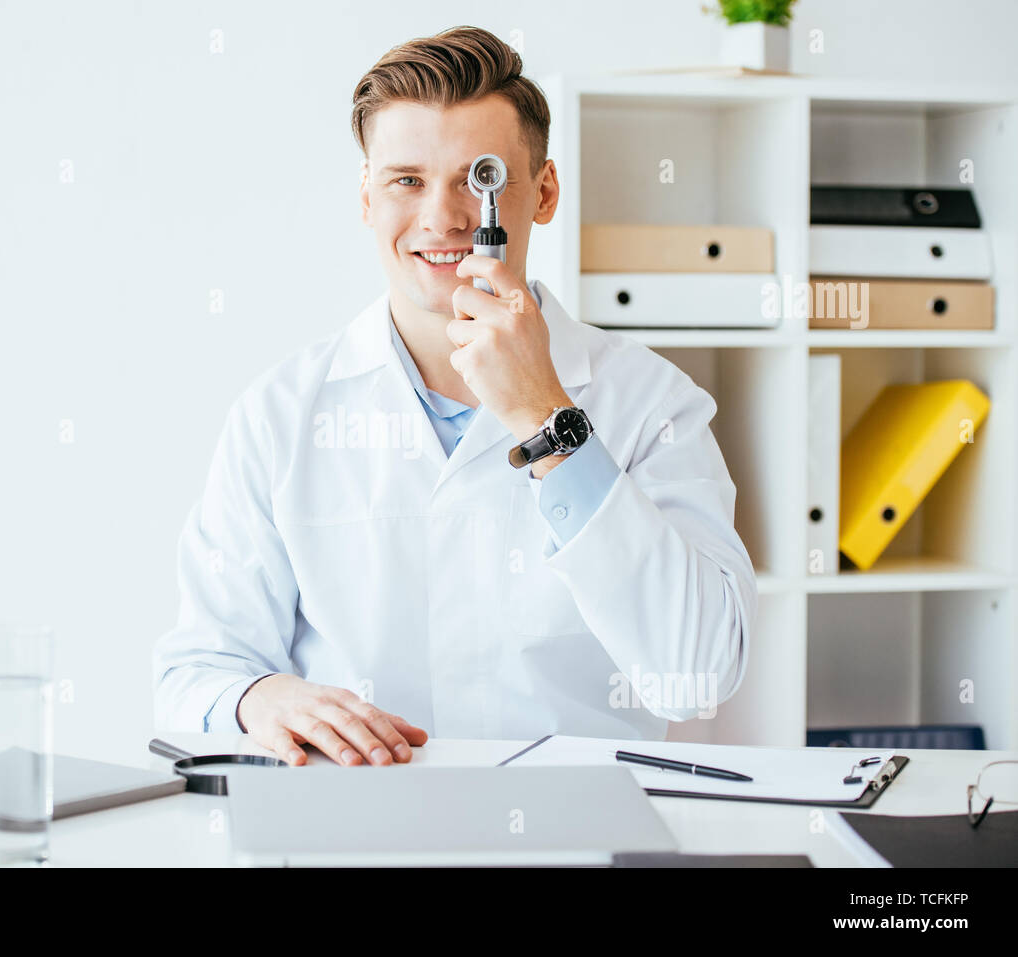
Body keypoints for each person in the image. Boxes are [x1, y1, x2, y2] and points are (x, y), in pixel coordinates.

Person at [153, 25, 756, 768]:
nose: (443, 217)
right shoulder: (278, 415)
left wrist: (547, 417)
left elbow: (695, 673)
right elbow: (192, 674)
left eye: (481, 178)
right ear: (367, 198)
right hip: (351, 827)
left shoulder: (653, 402)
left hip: (573, 832)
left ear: (542, 192)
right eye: (407, 179)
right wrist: (257, 697)